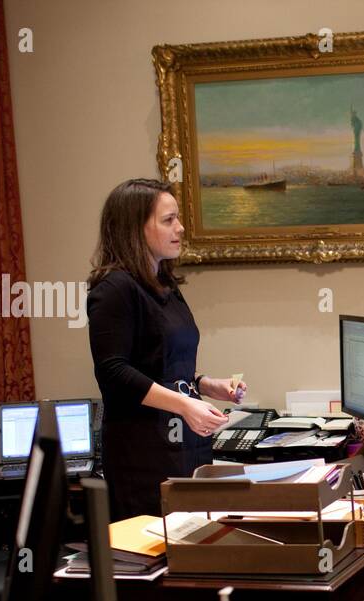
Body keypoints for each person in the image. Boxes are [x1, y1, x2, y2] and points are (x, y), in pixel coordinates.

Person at [86, 179, 245, 519]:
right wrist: (184, 404)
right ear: (135, 228)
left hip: (185, 445)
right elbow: (113, 372)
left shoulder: (163, 283)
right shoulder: (114, 288)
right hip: (143, 456)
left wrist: (205, 385)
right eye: (168, 220)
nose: (181, 228)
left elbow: (160, 362)